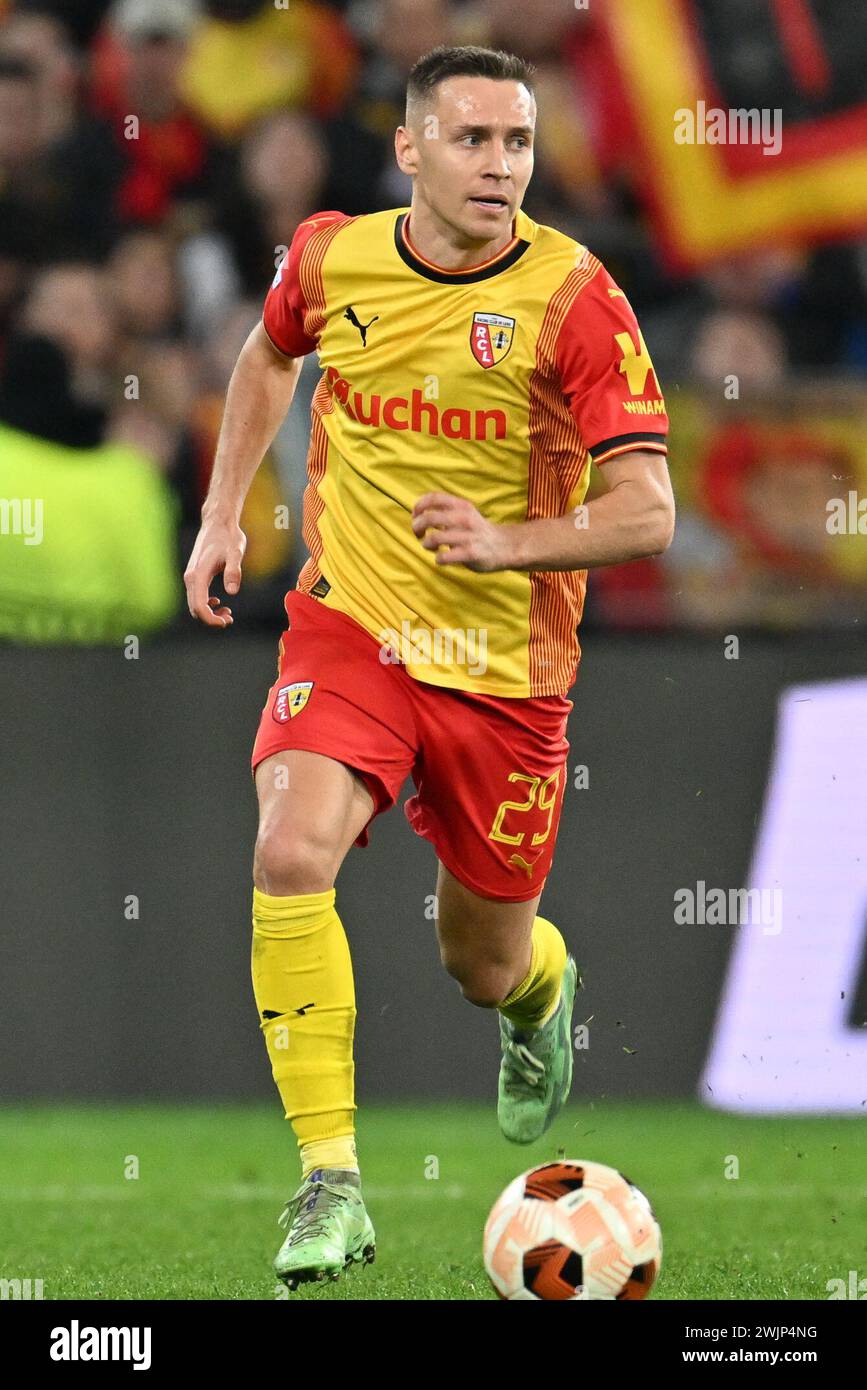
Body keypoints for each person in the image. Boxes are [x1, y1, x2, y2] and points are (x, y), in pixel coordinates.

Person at [183, 44, 675, 1290]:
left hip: (506, 670)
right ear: (410, 149)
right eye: (472, 140)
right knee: (289, 850)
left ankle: (539, 997)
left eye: (517, 143)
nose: (501, 166)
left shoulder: (575, 297)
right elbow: (264, 356)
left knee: (482, 963)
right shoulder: (334, 254)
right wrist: (223, 516)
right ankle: (329, 1185)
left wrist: (509, 541)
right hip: (353, 624)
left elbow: (649, 512)